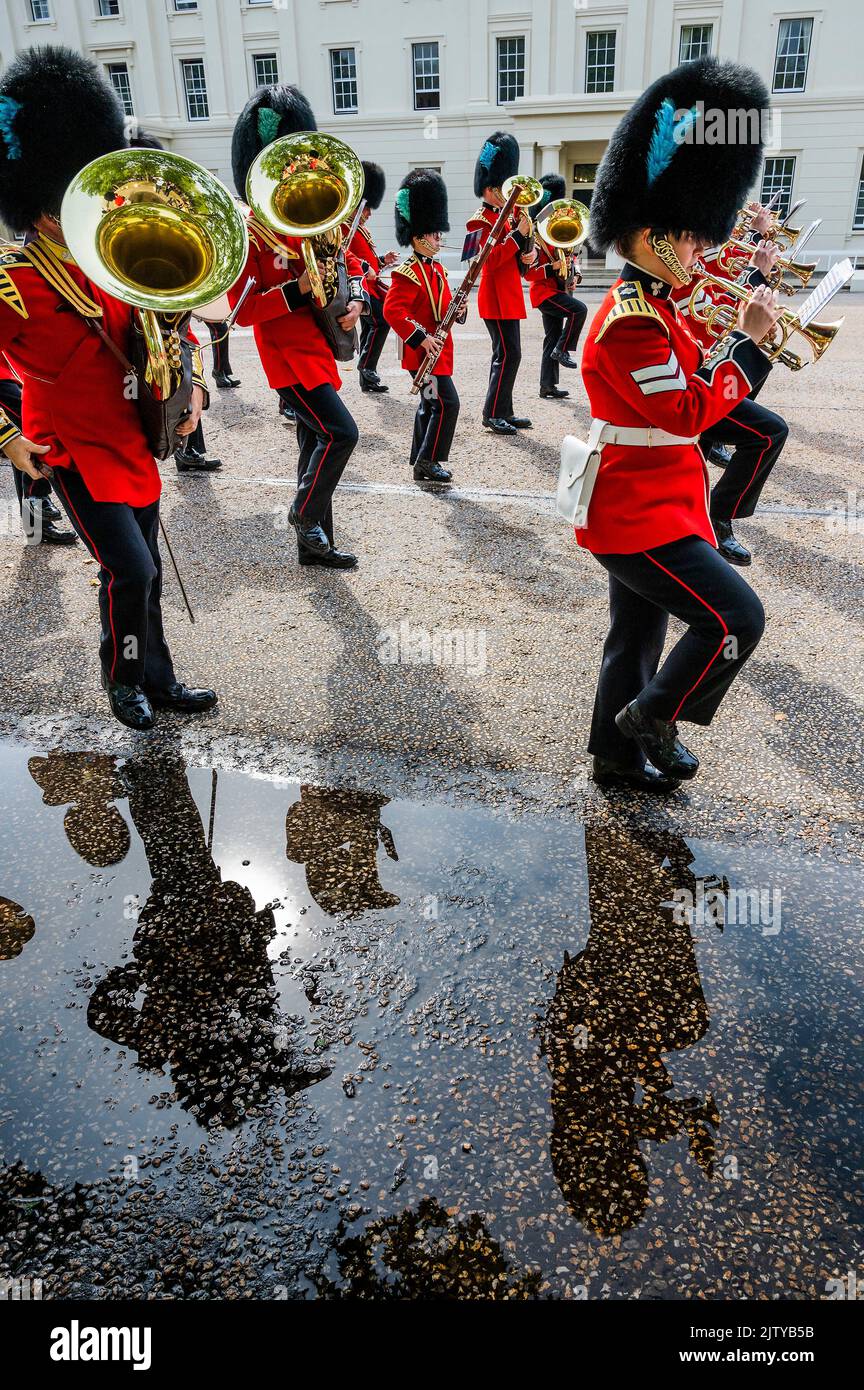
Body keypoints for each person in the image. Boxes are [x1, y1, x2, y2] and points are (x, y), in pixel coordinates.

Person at [577, 56, 780, 790]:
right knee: (735, 619)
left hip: (661, 504)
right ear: (655, 236)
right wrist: (749, 344)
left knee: (634, 638)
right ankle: (652, 717)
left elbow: (700, 387)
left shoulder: (661, 308)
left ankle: (614, 756)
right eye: (691, 239)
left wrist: (743, 322)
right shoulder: (629, 322)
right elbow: (689, 410)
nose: (698, 251)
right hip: (636, 515)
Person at [0, 47, 217, 730]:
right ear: (39, 206)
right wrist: (8, 437)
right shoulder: (16, 284)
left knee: (142, 570)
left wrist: (193, 395)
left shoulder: (113, 262)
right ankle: (122, 680)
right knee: (131, 570)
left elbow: (174, 326)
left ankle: (159, 677)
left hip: (129, 444)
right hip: (71, 451)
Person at [228, 83, 364, 569]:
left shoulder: (312, 215)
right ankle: (304, 515)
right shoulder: (248, 228)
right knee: (340, 433)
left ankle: (314, 545)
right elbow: (241, 310)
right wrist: (296, 290)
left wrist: (357, 302)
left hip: (320, 346)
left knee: (313, 443)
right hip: (287, 359)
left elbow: (345, 266)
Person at [670, 215, 789, 566]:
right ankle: (719, 516)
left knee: (757, 369)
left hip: (705, 364)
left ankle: (699, 495)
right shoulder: (670, 274)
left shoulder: (694, 258)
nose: (703, 246)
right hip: (692, 376)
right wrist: (753, 276)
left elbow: (717, 287)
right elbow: (702, 305)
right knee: (770, 433)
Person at [126, 126, 222, 474]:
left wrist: (197, 385)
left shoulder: (162, 253)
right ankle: (34, 519)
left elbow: (180, 332)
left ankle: (187, 449)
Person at [383, 169, 462, 484]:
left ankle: (419, 455)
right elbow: (393, 311)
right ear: (417, 237)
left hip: (437, 352)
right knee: (445, 404)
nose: (438, 239)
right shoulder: (407, 272)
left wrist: (459, 310)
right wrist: (420, 338)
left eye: (438, 234)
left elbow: (441, 307)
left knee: (430, 405)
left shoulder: (437, 268)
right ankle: (428, 462)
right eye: (433, 234)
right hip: (422, 355)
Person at [466, 132, 537, 435]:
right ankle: (492, 412)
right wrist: (518, 236)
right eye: (501, 188)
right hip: (494, 298)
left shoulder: (509, 218)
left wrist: (528, 255)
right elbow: (488, 261)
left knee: (510, 354)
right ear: (491, 189)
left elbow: (513, 262)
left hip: (508, 296)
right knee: (506, 354)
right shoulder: (478, 221)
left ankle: (504, 410)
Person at [525, 173, 587, 400]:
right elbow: (529, 274)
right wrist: (553, 267)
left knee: (551, 338)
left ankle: (547, 386)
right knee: (579, 310)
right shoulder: (535, 239)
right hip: (543, 293)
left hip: (558, 290)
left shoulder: (558, 235)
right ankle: (563, 350)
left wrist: (575, 275)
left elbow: (573, 257)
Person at [0, 358, 76, 544]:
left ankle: (36, 527)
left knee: (20, 443)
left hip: (12, 368)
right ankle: (37, 497)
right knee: (32, 424)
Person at [342, 161, 398, 393]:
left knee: (373, 325)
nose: (369, 213)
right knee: (381, 321)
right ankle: (367, 368)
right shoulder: (346, 227)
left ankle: (367, 374)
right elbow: (346, 255)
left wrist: (383, 259)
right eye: (366, 208)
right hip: (358, 288)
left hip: (371, 285)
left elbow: (369, 259)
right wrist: (366, 267)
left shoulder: (360, 229)